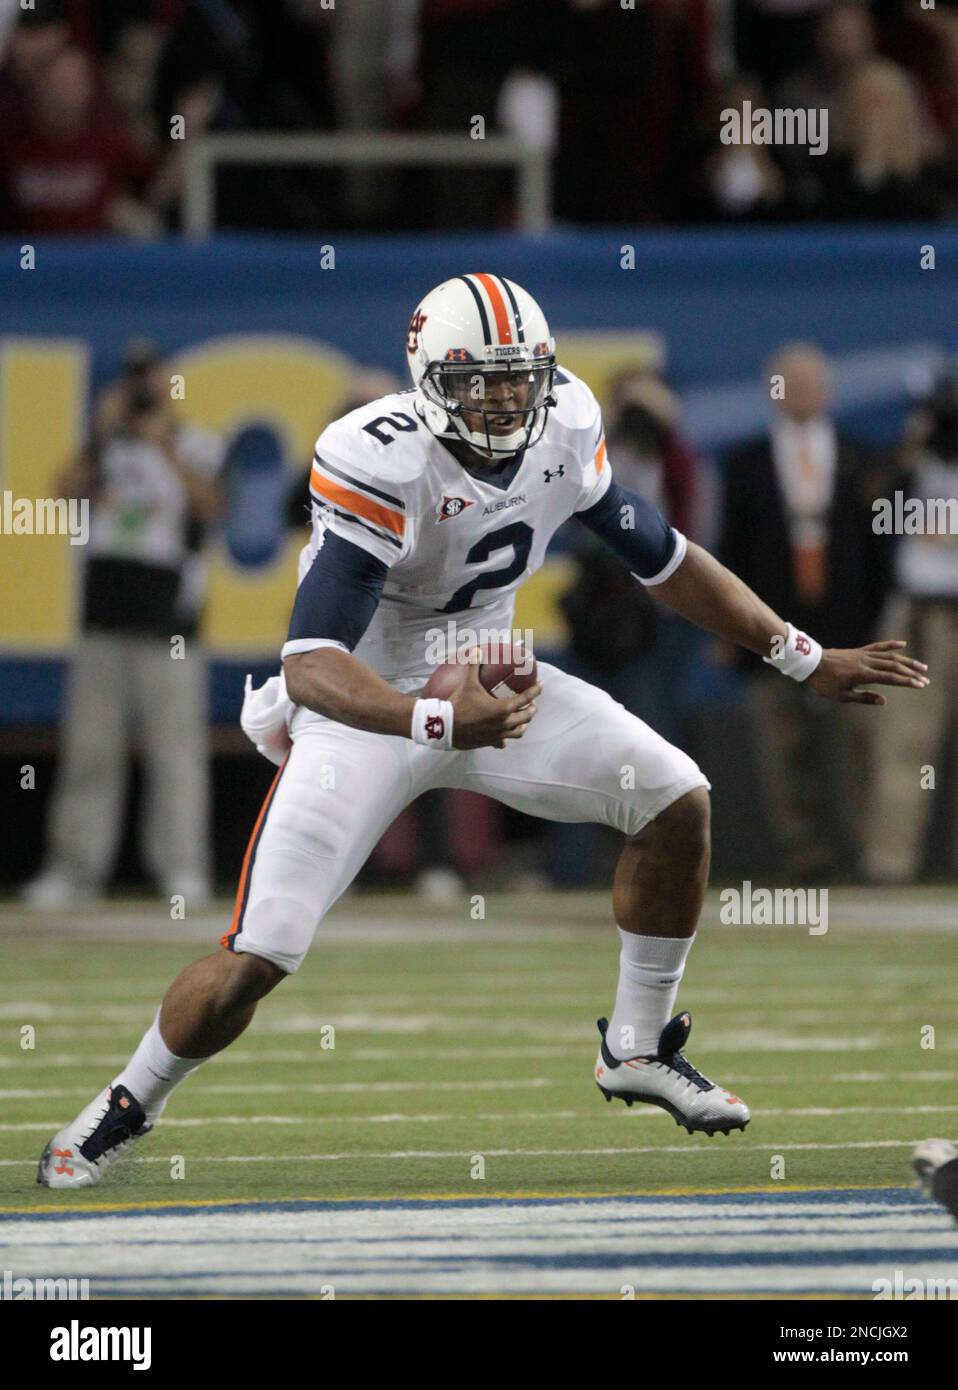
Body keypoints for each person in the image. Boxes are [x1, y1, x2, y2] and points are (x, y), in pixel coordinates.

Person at [37, 275, 928, 1188]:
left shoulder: (569, 424)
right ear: (429, 379)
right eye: (479, 381)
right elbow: (310, 663)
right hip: (365, 704)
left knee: (677, 799)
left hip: (491, 678)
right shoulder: (377, 456)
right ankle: (124, 1103)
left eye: (518, 378)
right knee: (256, 960)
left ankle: (636, 1044)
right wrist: (433, 718)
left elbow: (665, 562)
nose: (504, 400)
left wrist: (802, 658)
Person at [23, 346, 224, 911]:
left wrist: (164, 444)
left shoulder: (194, 443)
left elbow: (212, 510)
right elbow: (60, 492)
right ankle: (74, 870)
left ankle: (183, 869)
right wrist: (99, 437)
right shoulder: (104, 447)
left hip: (171, 625)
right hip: (103, 617)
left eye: (150, 379)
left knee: (175, 754)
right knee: (91, 752)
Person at [721, 343, 896, 880]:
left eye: (810, 383)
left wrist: (881, 622)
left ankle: (871, 862)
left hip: (850, 630)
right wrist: (732, 629)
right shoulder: (744, 464)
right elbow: (730, 552)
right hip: (772, 632)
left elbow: (879, 552)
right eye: (788, 384)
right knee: (783, 754)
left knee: (859, 750)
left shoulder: (863, 458)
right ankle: (806, 862)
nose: (800, 394)